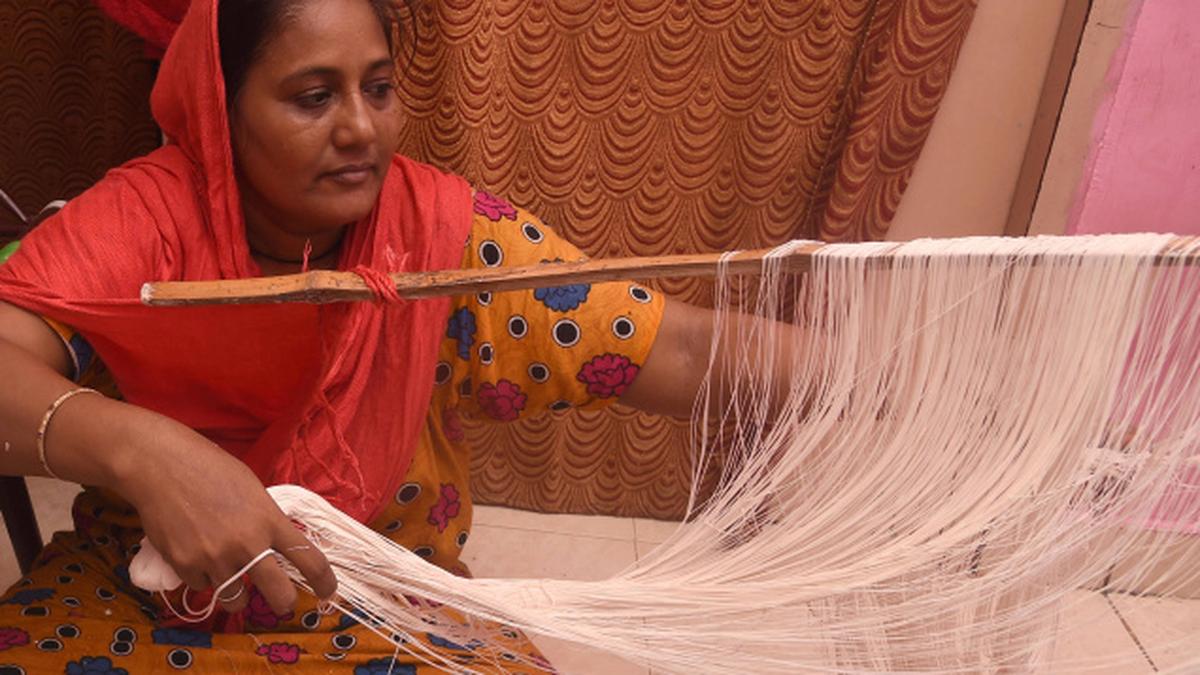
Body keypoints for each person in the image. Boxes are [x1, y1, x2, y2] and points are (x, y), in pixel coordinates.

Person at [0, 0, 797, 671]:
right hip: (132, 597)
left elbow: (679, 346)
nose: (361, 129)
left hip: (381, 599)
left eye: (377, 89)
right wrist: (144, 453)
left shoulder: (441, 236)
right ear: (220, 106)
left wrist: (895, 371)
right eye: (314, 97)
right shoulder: (138, 224)